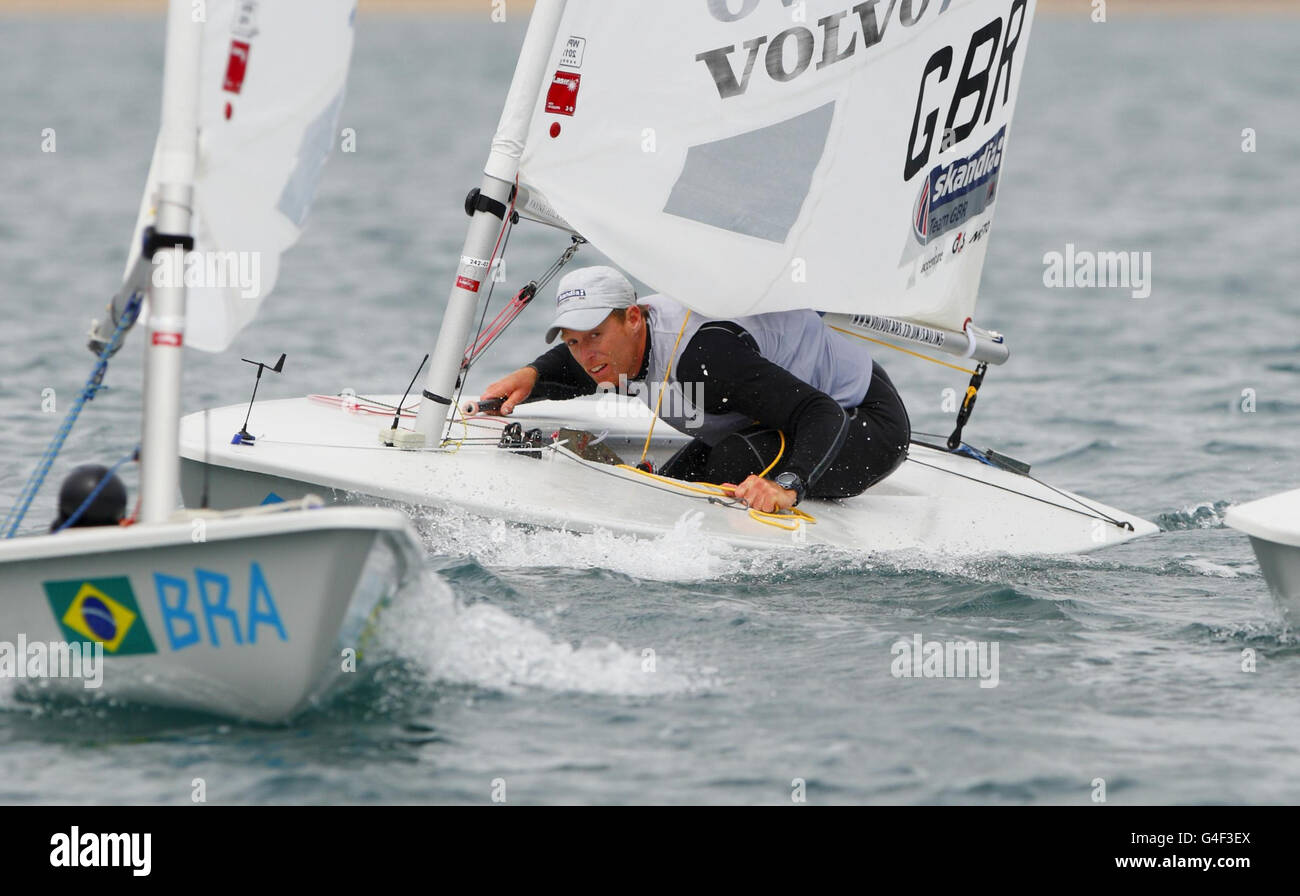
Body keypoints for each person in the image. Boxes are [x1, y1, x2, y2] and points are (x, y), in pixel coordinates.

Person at [477, 266, 910, 514]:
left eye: (593, 336)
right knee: (674, 483)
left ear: (632, 318)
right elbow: (583, 367)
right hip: (776, 417)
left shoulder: (707, 359)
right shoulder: (619, 349)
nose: (586, 356)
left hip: (863, 421)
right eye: (573, 342)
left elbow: (822, 413)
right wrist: (531, 377)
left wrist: (790, 485)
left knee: (731, 460)